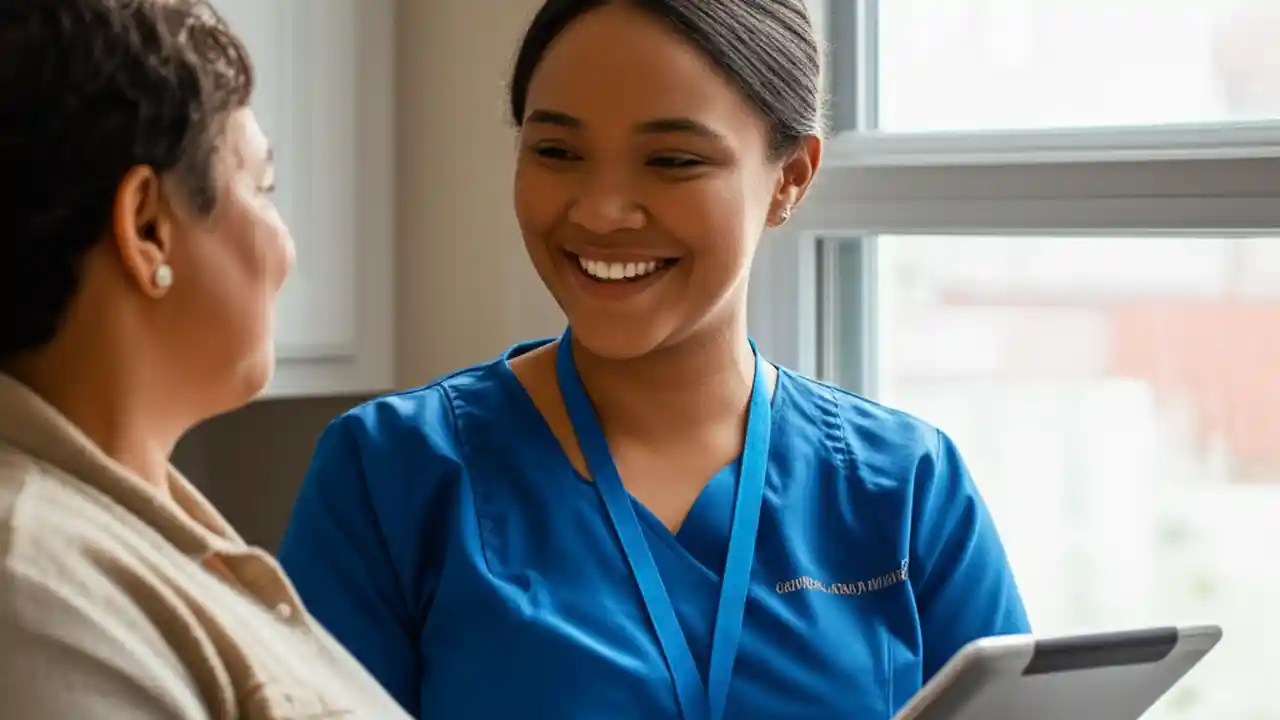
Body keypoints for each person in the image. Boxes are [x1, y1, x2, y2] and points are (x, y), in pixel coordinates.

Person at [279, 1, 1030, 718]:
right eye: (556, 152)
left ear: (790, 179)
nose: (602, 211)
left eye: (671, 160)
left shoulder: (906, 490)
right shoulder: (391, 476)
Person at [0, 2, 411, 717]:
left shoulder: (139, 534)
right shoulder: (37, 596)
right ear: (148, 228)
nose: (287, 251)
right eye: (262, 186)